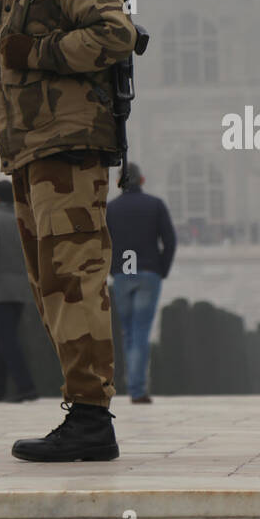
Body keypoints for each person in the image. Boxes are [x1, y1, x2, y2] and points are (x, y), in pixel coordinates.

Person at [0, 0, 138, 461]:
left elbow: (114, 33)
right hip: (32, 149)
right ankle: (83, 411)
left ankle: (93, 421)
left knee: (75, 281)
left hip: (69, 146)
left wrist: (38, 50)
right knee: (53, 285)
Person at [106, 162, 176, 404]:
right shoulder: (154, 205)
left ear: (118, 183)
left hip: (123, 275)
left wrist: (113, 270)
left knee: (128, 333)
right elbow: (170, 240)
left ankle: (133, 385)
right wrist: (161, 269)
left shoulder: (111, 209)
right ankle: (136, 389)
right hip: (148, 273)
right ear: (142, 180)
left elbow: (103, 243)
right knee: (141, 333)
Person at [0, 181, 37, 402]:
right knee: (5, 337)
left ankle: (26, 387)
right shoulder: (25, 220)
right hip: (21, 289)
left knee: (7, 339)